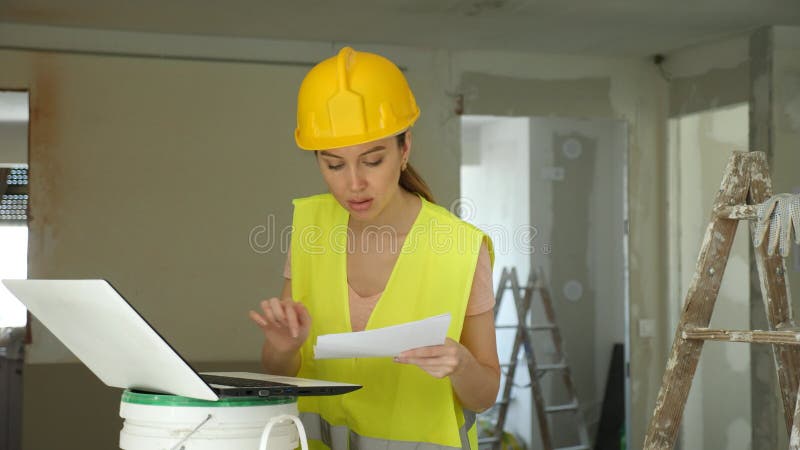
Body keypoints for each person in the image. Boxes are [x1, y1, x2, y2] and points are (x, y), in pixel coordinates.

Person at [249, 47, 500, 450]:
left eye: (372, 160)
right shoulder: (311, 230)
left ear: (404, 150)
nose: (354, 184)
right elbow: (281, 374)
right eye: (334, 165)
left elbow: (485, 395)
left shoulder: (460, 248)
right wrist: (282, 349)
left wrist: (462, 365)